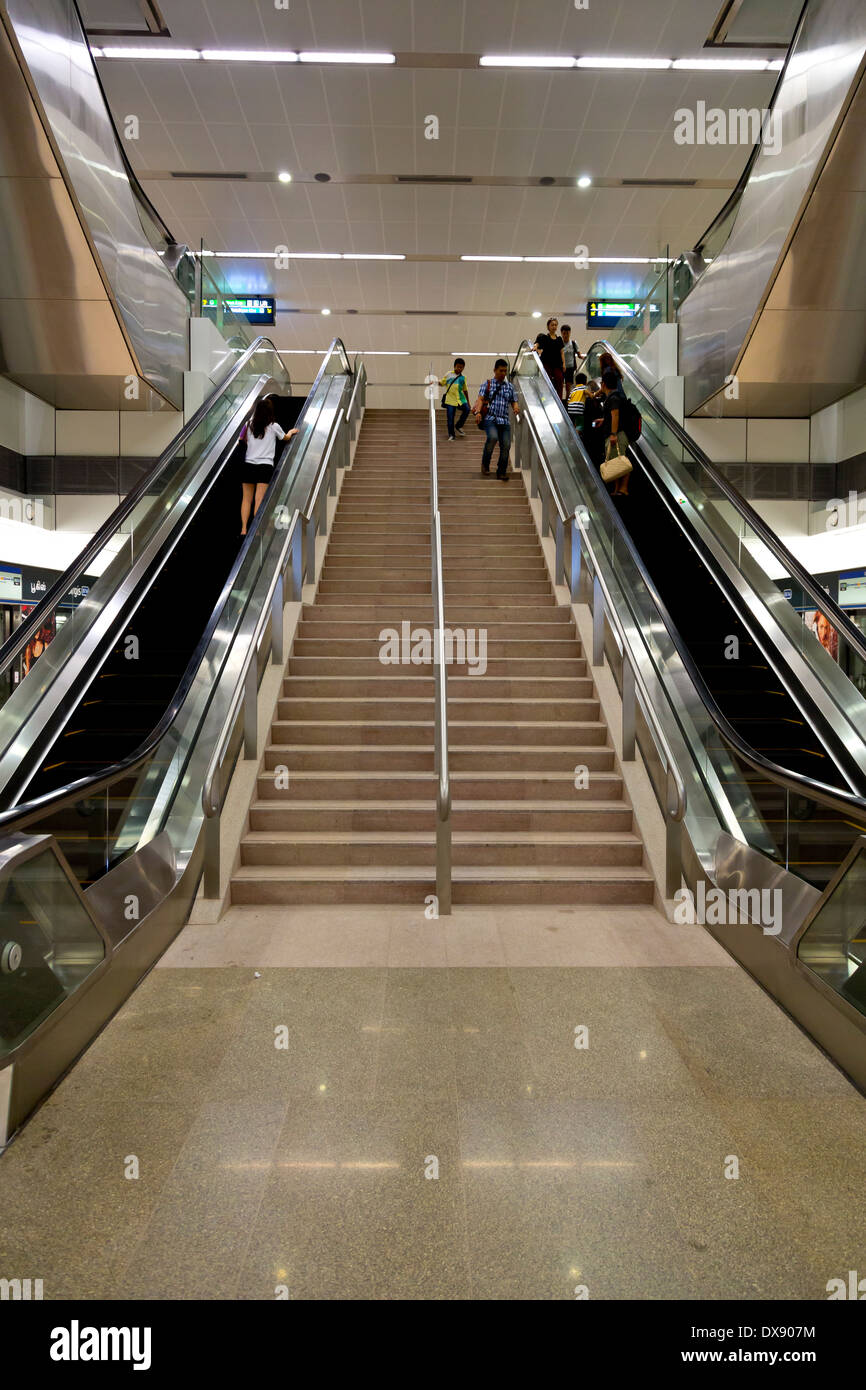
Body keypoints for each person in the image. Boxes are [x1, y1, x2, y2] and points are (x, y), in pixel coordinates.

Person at [240, 395, 299, 535]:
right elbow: (285, 438)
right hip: (264, 467)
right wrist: (291, 431)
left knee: (246, 499)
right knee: (259, 499)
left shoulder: (248, 424)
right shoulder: (274, 426)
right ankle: (257, 531)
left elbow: (240, 439)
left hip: (248, 465)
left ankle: (243, 529)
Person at [473, 360, 520, 480]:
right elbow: (480, 399)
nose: (503, 373)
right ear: (495, 370)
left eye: (505, 371)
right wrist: (478, 412)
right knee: (493, 437)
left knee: (506, 445)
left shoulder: (509, 386)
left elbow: (513, 401)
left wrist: (516, 407)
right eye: (501, 371)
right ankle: (485, 464)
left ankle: (501, 471)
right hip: (491, 418)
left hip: (504, 421)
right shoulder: (488, 384)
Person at [598, 368, 631, 497]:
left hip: (617, 435)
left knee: (621, 461)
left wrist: (613, 434)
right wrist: (604, 419)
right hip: (617, 433)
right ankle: (617, 489)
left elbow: (616, 415)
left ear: (603, 384)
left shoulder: (613, 398)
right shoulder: (614, 397)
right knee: (615, 461)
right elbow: (613, 416)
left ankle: (623, 489)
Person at [533, 317, 565, 399]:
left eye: (555, 325)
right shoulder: (544, 337)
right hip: (547, 363)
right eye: (552, 325)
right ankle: (547, 397)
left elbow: (562, 352)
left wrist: (564, 363)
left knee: (559, 379)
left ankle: (559, 399)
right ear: (548, 327)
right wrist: (535, 347)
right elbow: (538, 343)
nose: (554, 327)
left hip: (557, 364)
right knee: (547, 380)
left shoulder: (559, 339)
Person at [439, 358, 471, 440]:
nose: (459, 369)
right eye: (458, 367)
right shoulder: (449, 374)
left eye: (461, 367)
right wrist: (435, 382)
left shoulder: (463, 378)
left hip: (460, 399)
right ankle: (451, 435)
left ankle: (458, 426)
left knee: (467, 409)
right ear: (454, 366)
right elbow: (442, 383)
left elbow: (465, 390)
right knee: (450, 417)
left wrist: (468, 402)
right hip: (450, 400)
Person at [580, 381, 606, 469]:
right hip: (590, 436)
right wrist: (596, 423)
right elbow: (589, 422)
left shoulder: (598, 403)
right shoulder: (588, 403)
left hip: (597, 437)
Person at [561, 324, 585, 392]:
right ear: (561, 333)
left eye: (567, 333)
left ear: (570, 333)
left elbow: (579, 354)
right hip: (561, 367)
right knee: (560, 385)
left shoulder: (573, 343)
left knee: (569, 387)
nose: (566, 335)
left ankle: (567, 401)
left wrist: (584, 358)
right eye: (564, 333)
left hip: (570, 368)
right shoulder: (559, 343)